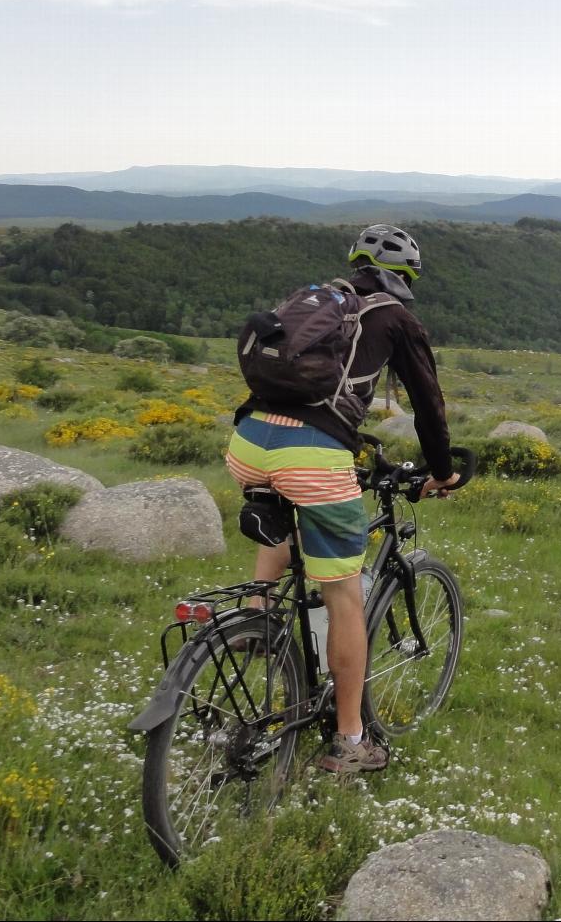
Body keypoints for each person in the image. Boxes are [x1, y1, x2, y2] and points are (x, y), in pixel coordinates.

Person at [225, 223, 458, 773]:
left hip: (248, 442)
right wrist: (442, 472)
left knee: (285, 513)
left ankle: (256, 618)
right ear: (406, 277)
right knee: (344, 596)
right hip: (310, 453)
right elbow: (428, 406)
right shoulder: (395, 318)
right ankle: (350, 743)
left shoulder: (319, 300)